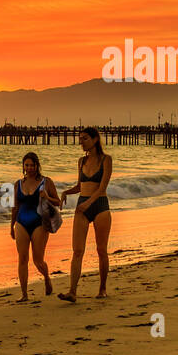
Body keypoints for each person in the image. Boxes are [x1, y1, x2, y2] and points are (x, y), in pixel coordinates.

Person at [58, 127, 112, 302]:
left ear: (95, 139)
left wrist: (88, 203)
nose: (81, 142)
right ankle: (72, 291)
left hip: (100, 206)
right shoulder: (81, 161)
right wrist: (66, 192)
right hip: (82, 207)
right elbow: (81, 186)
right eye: (80, 139)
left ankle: (102, 289)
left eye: (85, 138)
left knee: (101, 250)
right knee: (77, 250)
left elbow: (102, 188)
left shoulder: (106, 160)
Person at [10, 152, 60, 301]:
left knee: (38, 260)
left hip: (39, 223)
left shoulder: (47, 181)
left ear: (37, 166)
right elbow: (15, 206)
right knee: (22, 258)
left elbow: (58, 202)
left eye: (32, 165)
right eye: (27, 165)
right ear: (23, 166)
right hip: (21, 222)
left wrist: (47, 197)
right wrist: (11, 225)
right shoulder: (18, 184)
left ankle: (46, 277)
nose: (30, 168)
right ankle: (24, 294)